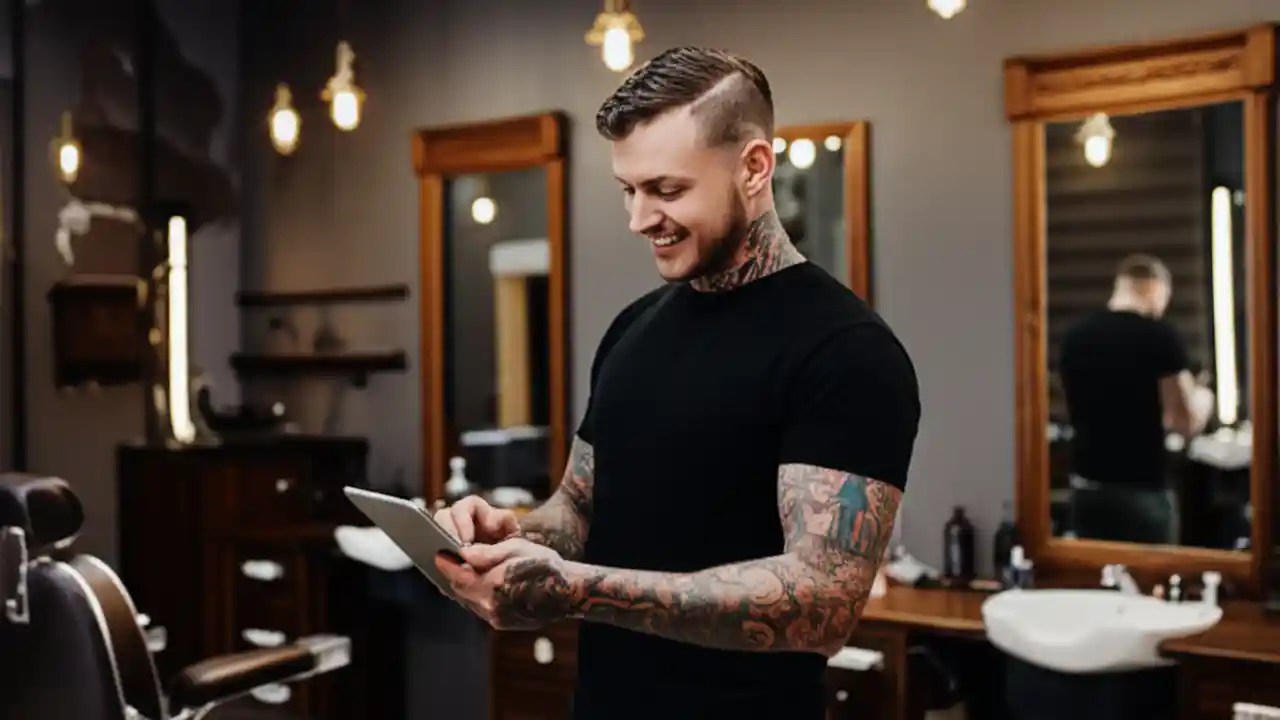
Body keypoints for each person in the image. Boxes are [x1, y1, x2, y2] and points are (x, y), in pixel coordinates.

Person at [433, 46, 921, 719]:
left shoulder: (846, 351)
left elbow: (823, 604)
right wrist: (511, 534)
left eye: (667, 190)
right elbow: (578, 509)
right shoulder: (633, 330)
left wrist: (579, 591)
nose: (639, 219)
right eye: (628, 190)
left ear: (754, 168)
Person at [1058, 253, 1213, 544]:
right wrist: (1203, 399)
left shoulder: (1075, 337)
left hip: (1087, 490)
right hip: (1143, 490)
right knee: (1150, 586)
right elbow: (1182, 422)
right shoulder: (1160, 336)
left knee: (1096, 585)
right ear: (1155, 289)